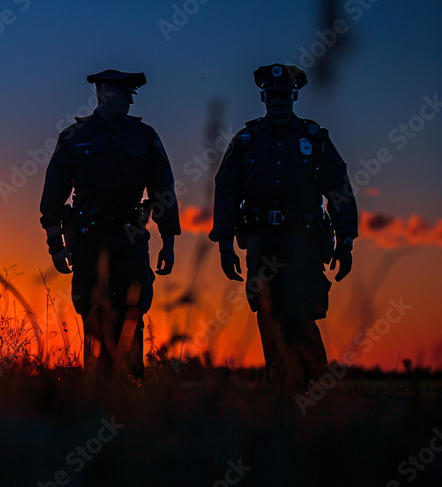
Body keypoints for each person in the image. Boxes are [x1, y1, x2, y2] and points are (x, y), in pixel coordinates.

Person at [209, 64, 358, 395]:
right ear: (263, 98)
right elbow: (227, 190)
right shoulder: (245, 141)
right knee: (269, 316)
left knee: (302, 315)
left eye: (284, 94)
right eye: (272, 95)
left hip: (303, 242)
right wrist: (224, 243)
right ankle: (279, 392)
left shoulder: (313, 138)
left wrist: (345, 240)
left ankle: (316, 391)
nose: (278, 100)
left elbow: (339, 188)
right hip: (262, 243)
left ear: (294, 97)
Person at [40, 69, 180, 377]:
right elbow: (54, 194)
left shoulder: (144, 136)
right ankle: (97, 387)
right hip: (90, 240)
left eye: (132, 97)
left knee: (132, 311)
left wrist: (168, 242)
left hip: (131, 238)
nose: (129, 102)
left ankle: (131, 387)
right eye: (123, 95)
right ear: (102, 92)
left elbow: (163, 190)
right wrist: (56, 245)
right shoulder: (74, 137)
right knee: (92, 311)